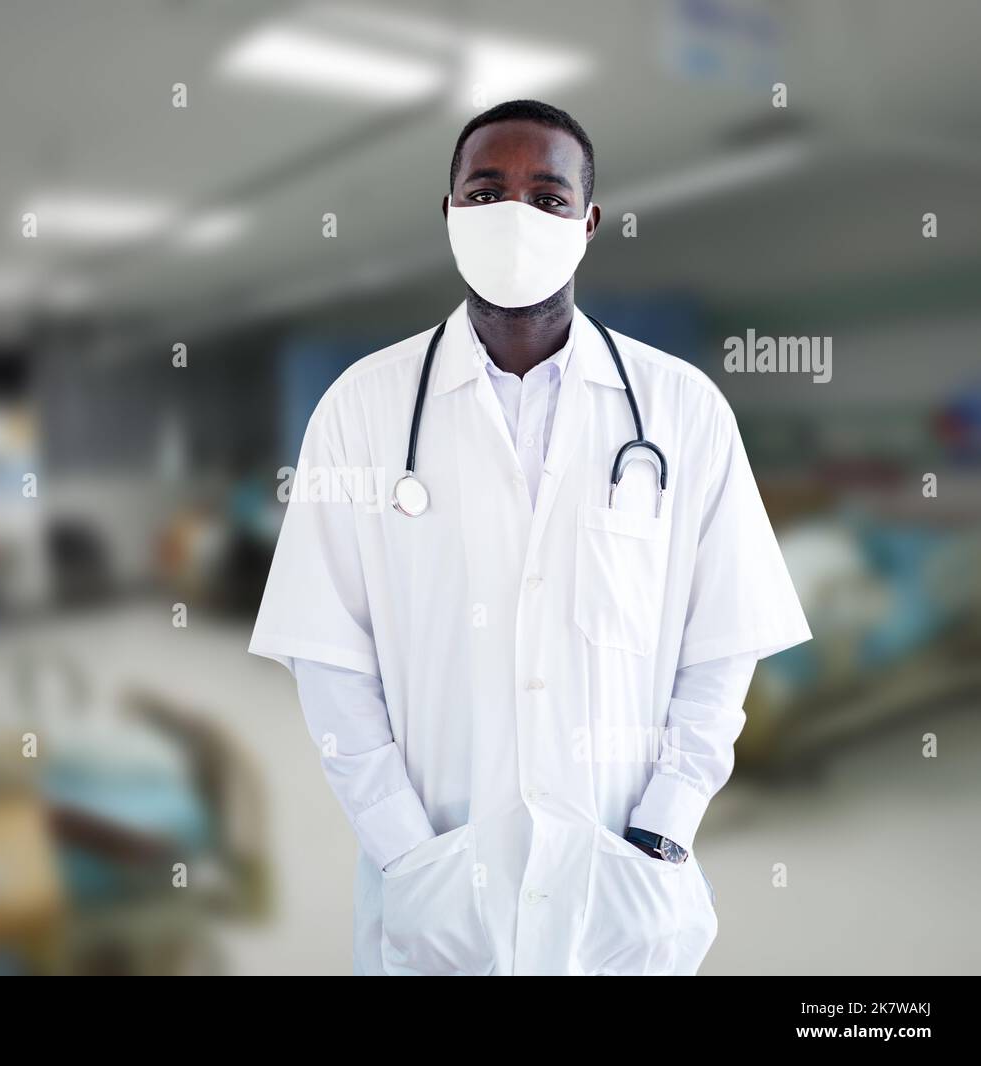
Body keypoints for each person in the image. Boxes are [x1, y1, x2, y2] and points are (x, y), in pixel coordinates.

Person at [248, 99, 811, 976]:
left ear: (588, 224)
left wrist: (664, 828)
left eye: (547, 197)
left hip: (621, 893)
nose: (514, 217)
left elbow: (722, 643)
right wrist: (404, 850)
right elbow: (329, 662)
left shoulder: (682, 409)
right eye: (485, 192)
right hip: (436, 891)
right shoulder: (361, 409)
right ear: (449, 218)